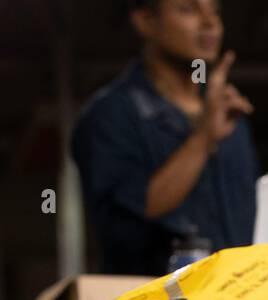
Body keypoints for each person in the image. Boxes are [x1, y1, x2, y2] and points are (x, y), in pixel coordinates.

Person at [72, 0, 257, 277]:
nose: (210, 23)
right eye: (188, 9)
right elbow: (138, 212)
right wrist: (203, 137)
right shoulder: (111, 116)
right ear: (146, 21)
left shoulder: (230, 116)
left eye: (214, 11)